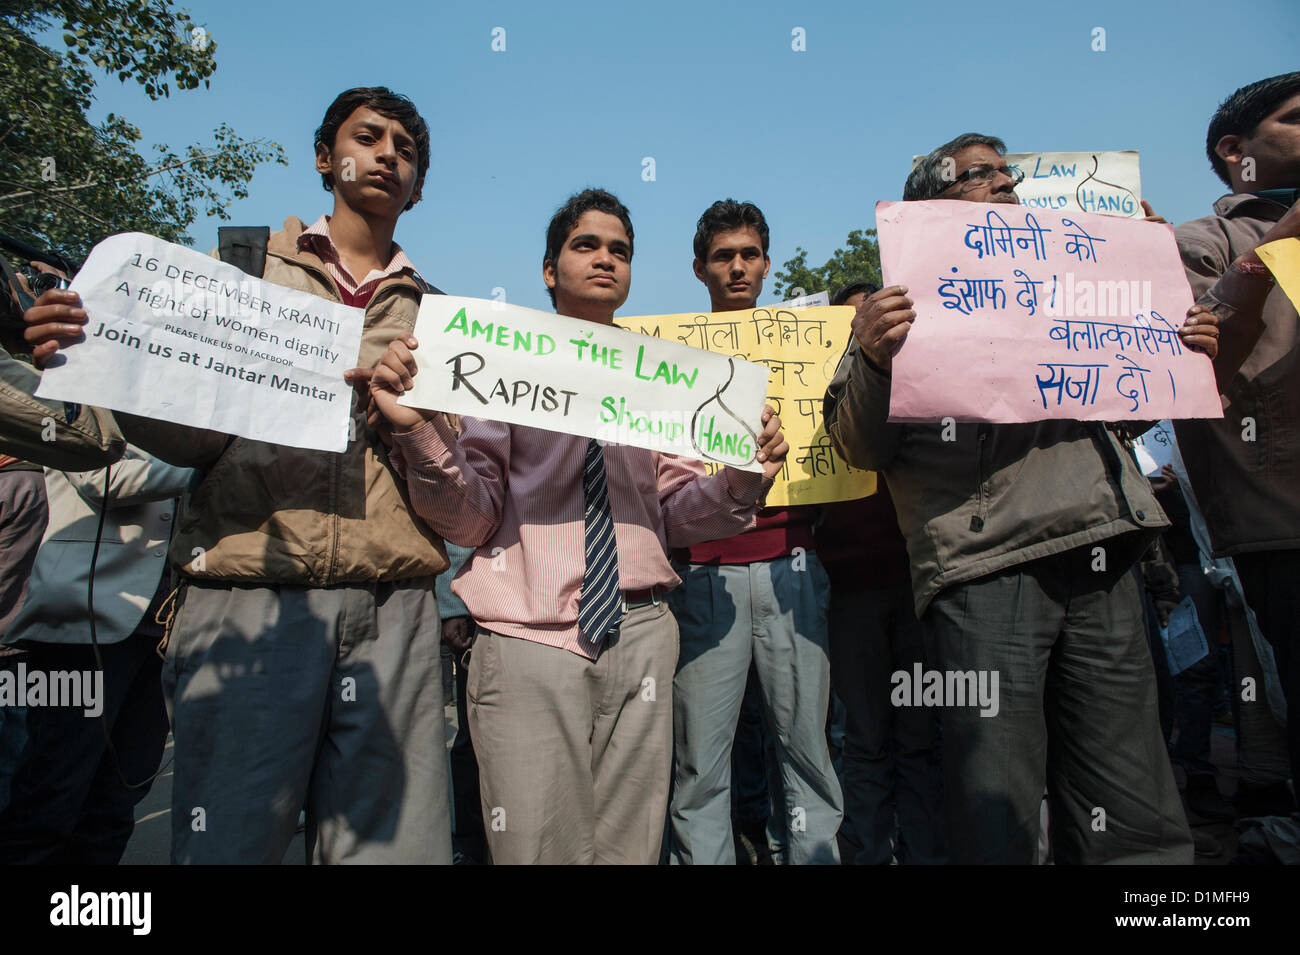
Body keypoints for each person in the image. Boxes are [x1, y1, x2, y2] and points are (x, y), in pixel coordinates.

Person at [24, 87, 453, 864]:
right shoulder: (236, 276)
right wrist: (86, 358)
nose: (390, 152)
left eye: (407, 148)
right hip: (250, 598)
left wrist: (413, 426)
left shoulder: (443, 319)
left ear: (419, 187)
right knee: (229, 843)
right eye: (370, 136)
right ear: (325, 158)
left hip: (395, 608)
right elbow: (175, 439)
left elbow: (456, 497)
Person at [825, 132, 1217, 863]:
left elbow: (1124, 413)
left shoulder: (1071, 282)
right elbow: (857, 446)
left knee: (1131, 799)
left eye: (1007, 172)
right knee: (996, 799)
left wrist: (1174, 342)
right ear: (931, 207)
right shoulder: (894, 308)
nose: (1004, 182)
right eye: (980, 174)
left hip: (1101, 545)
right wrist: (877, 357)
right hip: (984, 570)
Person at [370, 187, 789, 864]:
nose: (605, 259)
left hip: (644, 632)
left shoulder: (662, 375)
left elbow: (676, 516)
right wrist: (416, 431)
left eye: (619, 250)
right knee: (535, 844)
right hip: (527, 639)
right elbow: (471, 518)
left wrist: (745, 477)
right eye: (585, 245)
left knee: (630, 847)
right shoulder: (500, 362)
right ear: (547, 269)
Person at [668, 199, 843, 866]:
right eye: (722, 256)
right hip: (705, 572)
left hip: (795, 567)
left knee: (807, 752)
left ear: (767, 264)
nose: (737, 266)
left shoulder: (814, 344)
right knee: (701, 762)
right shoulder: (673, 356)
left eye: (748, 255)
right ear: (698, 268)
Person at [1173, 71, 1300, 809]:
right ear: (1235, 151)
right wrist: (1284, 240)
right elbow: (1198, 365)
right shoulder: (1201, 243)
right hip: (1281, 521)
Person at [0, 445, 190, 863]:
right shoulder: (87, 388)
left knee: (117, 801)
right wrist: (216, 463)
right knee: (50, 795)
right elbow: (99, 477)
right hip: (79, 628)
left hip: (165, 629)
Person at [816, 280, 945, 865]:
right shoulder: (817, 407)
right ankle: (866, 852)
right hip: (850, 594)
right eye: (851, 332)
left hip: (920, 587)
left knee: (921, 740)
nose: (866, 338)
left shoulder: (920, 387)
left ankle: (924, 853)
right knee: (864, 740)